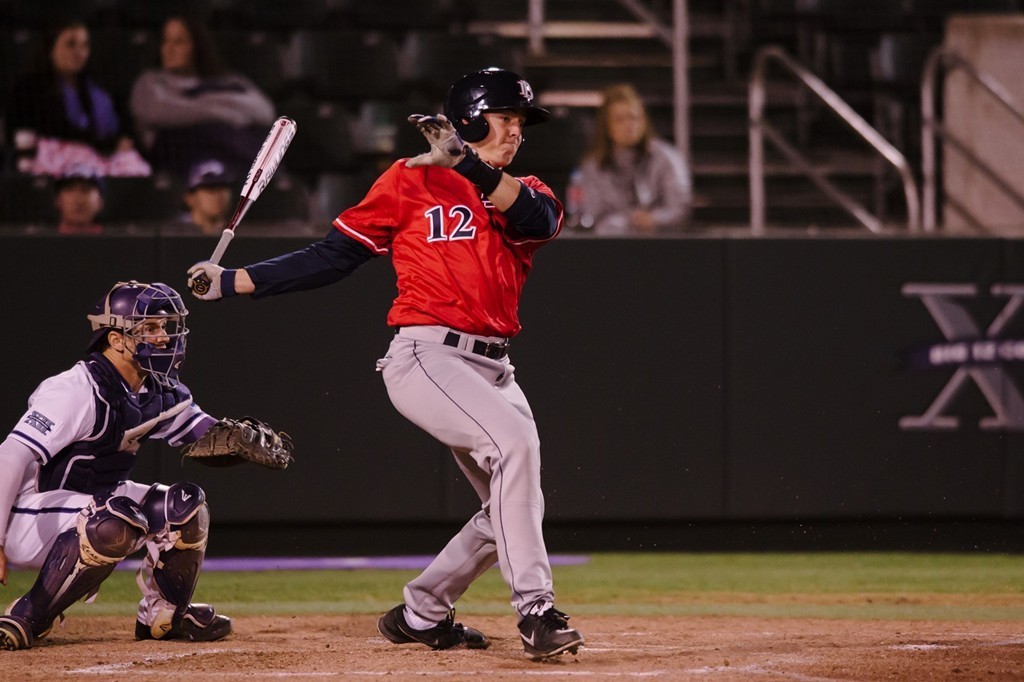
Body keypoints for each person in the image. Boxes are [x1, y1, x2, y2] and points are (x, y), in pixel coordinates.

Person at [185, 68, 586, 661]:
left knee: (509, 503)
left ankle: (423, 610)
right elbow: (333, 256)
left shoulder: (526, 189)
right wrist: (234, 281)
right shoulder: (407, 180)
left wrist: (467, 166)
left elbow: (539, 220)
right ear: (470, 119)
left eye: (520, 122)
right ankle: (537, 612)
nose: (516, 132)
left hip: (496, 368)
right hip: (427, 355)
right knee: (515, 450)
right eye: (504, 118)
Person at [0, 281, 239, 650]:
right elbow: (10, 455)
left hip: (92, 507)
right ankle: (29, 614)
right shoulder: (76, 389)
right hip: (30, 516)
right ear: (116, 339)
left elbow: (208, 435)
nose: (164, 337)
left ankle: (163, 615)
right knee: (116, 517)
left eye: (165, 326)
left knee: (186, 506)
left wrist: (242, 439)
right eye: (150, 327)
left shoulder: (156, 389)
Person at [129, 14, 276, 182]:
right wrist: (223, 112)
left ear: (197, 45)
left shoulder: (230, 80)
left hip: (234, 149)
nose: (169, 49)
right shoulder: (151, 81)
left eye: (178, 42)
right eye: (165, 42)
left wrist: (202, 105)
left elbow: (265, 111)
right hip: (183, 152)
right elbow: (155, 112)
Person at [5, 16, 150, 178]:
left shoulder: (97, 88)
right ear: (50, 49)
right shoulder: (28, 88)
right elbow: (51, 131)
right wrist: (102, 144)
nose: (79, 52)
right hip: (51, 163)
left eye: (84, 45)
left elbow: (121, 126)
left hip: (99, 159)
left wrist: (122, 140)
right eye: (71, 44)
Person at [572, 83, 692, 235]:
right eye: (620, 119)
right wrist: (628, 222)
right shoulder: (593, 166)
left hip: (660, 241)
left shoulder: (667, 158)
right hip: (611, 243)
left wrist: (653, 219)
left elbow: (680, 209)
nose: (629, 125)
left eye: (634, 117)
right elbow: (592, 214)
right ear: (606, 126)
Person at [180, 159, 235, 236]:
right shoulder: (172, 233)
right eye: (210, 188)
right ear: (189, 197)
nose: (218, 195)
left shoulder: (241, 233)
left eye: (224, 187)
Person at [54, 166, 105, 235]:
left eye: (85, 189)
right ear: (58, 200)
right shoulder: (43, 239)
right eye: (70, 189)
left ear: (100, 202)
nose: (78, 199)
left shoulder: (114, 239)